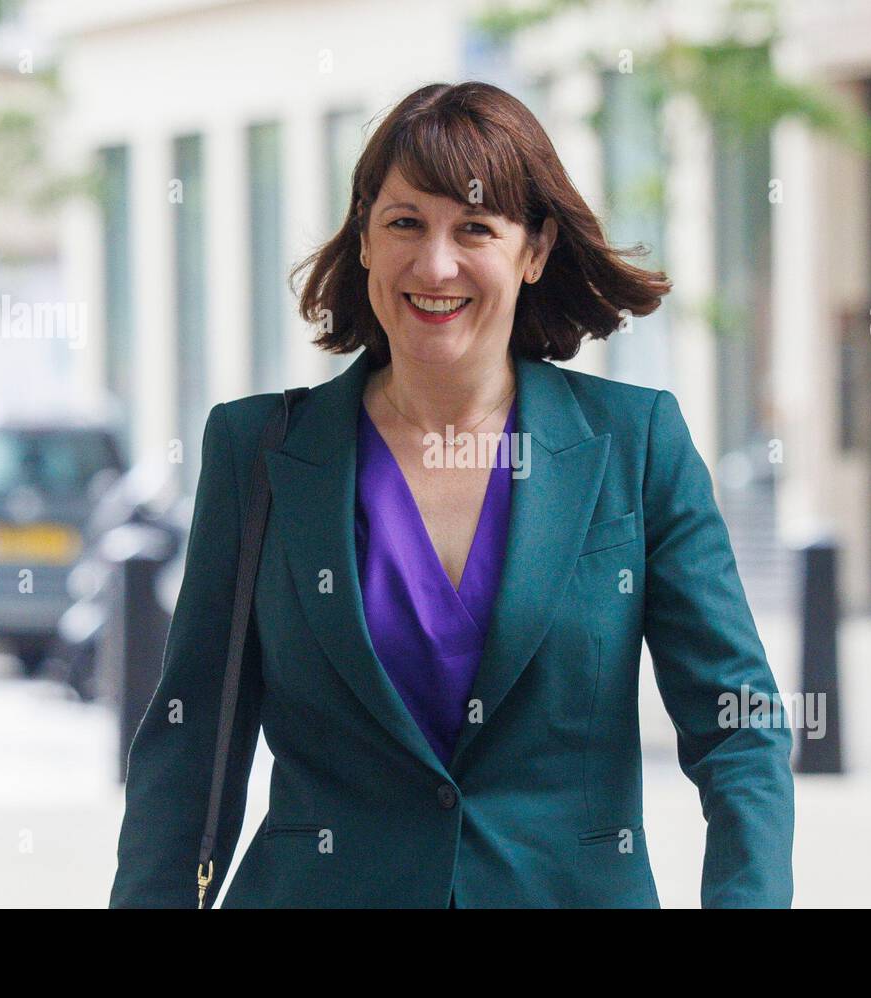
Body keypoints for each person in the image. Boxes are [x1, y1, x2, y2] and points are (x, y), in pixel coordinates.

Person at [109, 80, 794, 909]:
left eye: (475, 228)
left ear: (534, 250)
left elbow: (738, 724)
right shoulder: (258, 453)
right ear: (364, 236)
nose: (435, 265)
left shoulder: (633, 446)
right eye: (405, 223)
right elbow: (189, 745)